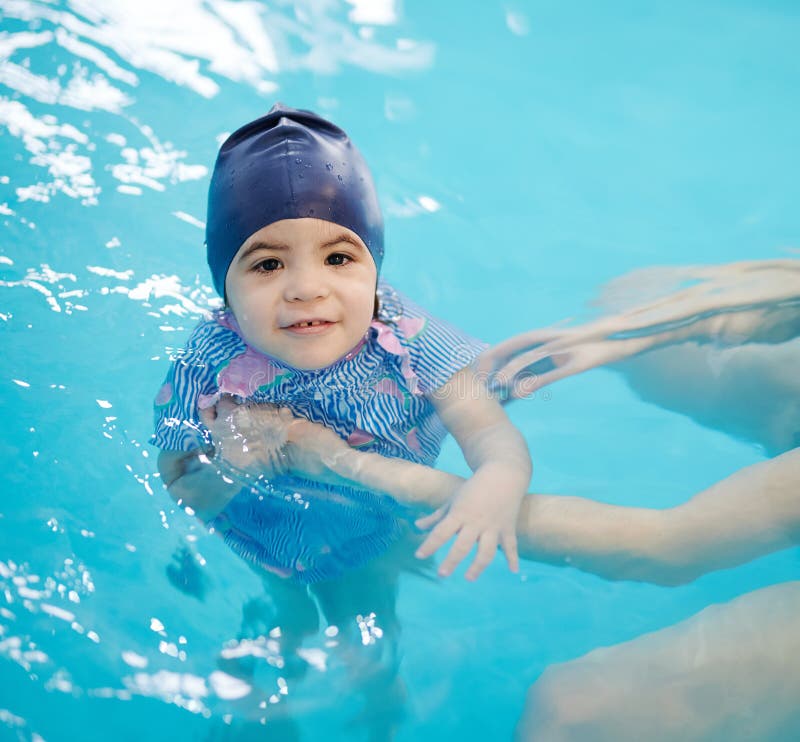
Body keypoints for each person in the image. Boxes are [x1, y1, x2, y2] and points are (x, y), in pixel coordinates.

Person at [151, 103, 531, 736]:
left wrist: (495, 485)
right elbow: (176, 472)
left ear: (375, 269)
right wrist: (227, 469)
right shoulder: (207, 360)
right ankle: (273, 699)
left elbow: (492, 434)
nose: (306, 288)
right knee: (287, 622)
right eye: (268, 264)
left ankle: (381, 708)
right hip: (264, 530)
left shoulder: (412, 340)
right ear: (226, 288)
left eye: (338, 258)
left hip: (373, 527)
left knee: (368, 638)